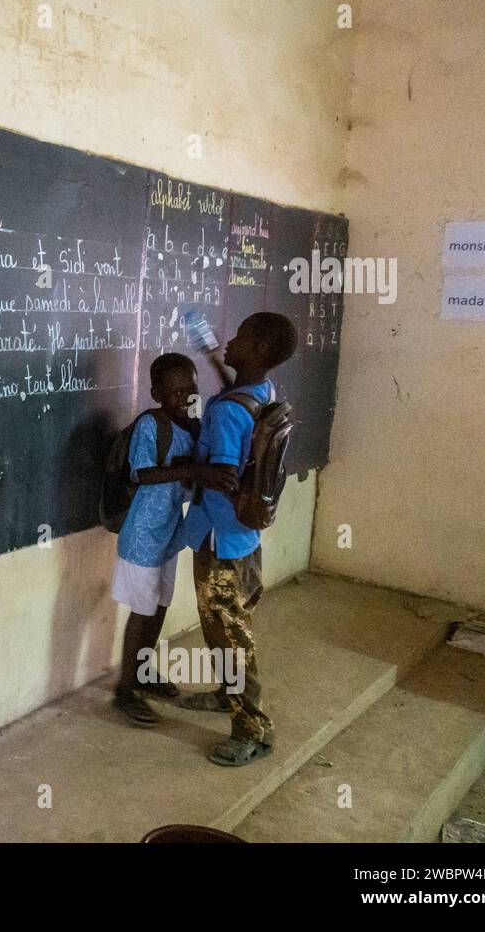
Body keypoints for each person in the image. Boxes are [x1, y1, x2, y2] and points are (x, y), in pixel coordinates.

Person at [173, 312, 299, 766]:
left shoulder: (228, 410)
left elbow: (224, 475)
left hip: (220, 538)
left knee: (229, 636)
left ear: (261, 350)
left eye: (242, 338)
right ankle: (227, 695)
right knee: (232, 627)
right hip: (245, 535)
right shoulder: (258, 392)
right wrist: (217, 363)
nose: (229, 341)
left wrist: (178, 470)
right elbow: (235, 398)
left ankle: (252, 730)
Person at [111, 353, 230, 727]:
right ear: (156, 392)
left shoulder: (191, 426)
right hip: (144, 533)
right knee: (141, 612)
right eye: (174, 391)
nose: (183, 396)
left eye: (190, 389)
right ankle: (124, 690)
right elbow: (142, 473)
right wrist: (194, 469)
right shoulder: (152, 424)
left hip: (169, 534)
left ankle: (143, 675)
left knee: (160, 605)